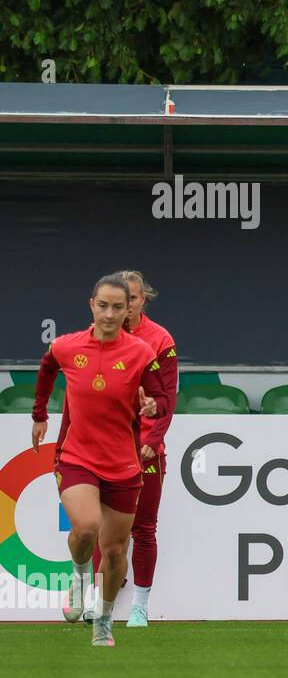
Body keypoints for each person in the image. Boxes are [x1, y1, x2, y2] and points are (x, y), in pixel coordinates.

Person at [31, 274, 172, 647]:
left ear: (129, 310)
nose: (109, 314)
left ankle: (104, 620)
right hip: (78, 456)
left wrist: (151, 407)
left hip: (123, 463)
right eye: (103, 305)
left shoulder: (142, 351)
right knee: (86, 527)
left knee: (114, 551)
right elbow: (46, 370)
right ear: (91, 304)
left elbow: (161, 398)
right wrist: (39, 414)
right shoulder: (65, 346)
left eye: (117, 307)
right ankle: (78, 579)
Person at [86, 270, 178, 628]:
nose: (124, 309)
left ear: (143, 301)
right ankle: (98, 598)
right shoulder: (98, 336)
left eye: (133, 300)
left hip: (144, 451)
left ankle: (140, 606)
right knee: (100, 526)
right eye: (119, 301)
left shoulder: (159, 340)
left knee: (144, 528)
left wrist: (152, 442)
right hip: (106, 449)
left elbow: (166, 398)